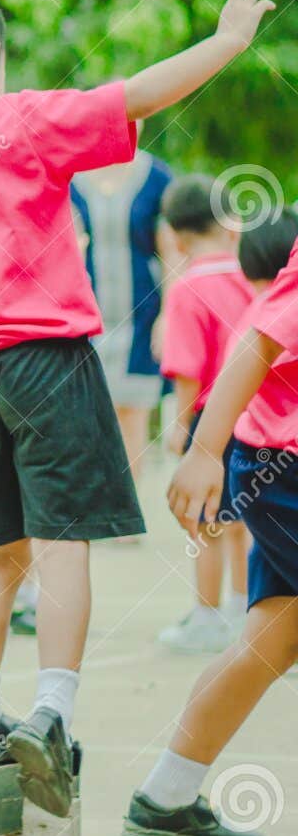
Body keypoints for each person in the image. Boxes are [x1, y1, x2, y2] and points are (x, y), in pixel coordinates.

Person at [0, 0, 272, 819]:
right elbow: (130, 98)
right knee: (65, 545)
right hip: (46, 357)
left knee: (0, 550)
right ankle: (52, 713)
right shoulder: (11, 118)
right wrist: (228, 41)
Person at [128, 210, 298, 836]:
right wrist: (203, 450)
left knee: (273, 639)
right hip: (284, 460)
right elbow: (260, 338)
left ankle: (166, 799)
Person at [155, 177, 254, 652]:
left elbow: (188, 371)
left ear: (174, 237)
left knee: (207, 522)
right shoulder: (253, 279)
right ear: (229, 224)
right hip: (258, 416)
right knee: (248, 522)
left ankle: (207, 616)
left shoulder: (188, 289)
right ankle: (245, 606)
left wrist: (180, 426)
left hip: (210, 422)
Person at [71, 147, 172, 481]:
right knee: (84, 413)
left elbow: (171, 252)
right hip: (82, 316)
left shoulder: (156, 178)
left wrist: (169, 315)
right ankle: (90, 508)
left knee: (132, 411)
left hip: (141, 314)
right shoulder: (70, 176)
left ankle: (126, 514)